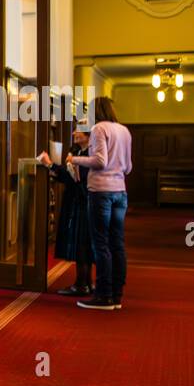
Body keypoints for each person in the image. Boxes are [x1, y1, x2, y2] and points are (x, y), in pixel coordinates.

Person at [69, 96, 132, 310]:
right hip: (120, 192)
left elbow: (99, 161)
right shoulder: (124, 131)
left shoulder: (98, 128)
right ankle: (116, 294)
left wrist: (73, 160)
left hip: (101, 192)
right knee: (117, 243)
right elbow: (128, 167)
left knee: (100, 243)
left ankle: (103, 295)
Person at [37, 122, 93, 297]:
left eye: (80, 130)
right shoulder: (77, 152)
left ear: (90, 134)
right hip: (77, 200)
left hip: (83, 201)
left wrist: (50, 165)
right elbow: (69, 177)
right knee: (81, 242)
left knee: (82, 243)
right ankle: (85, 282)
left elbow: (77, 178)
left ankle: (82, 284)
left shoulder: (90, 154)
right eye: (75, 129)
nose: (75, 132)